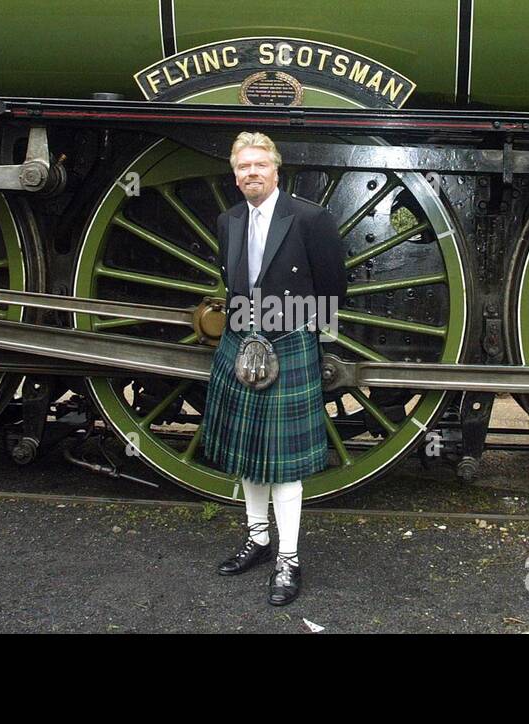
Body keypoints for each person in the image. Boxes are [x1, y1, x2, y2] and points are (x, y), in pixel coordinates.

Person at [201, 131, 347, 606]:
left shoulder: (310, 218)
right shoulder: (228, 220)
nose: (251, 173)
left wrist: (305, 335)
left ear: (276, 170)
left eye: (259, 165)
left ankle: (289, 557)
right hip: (240, 341)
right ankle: (258, 538)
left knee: (284, 468)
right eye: (243, 167)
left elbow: (333, 289)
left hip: (289, 343)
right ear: (234, 172)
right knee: (247, 457)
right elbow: (232, 284)